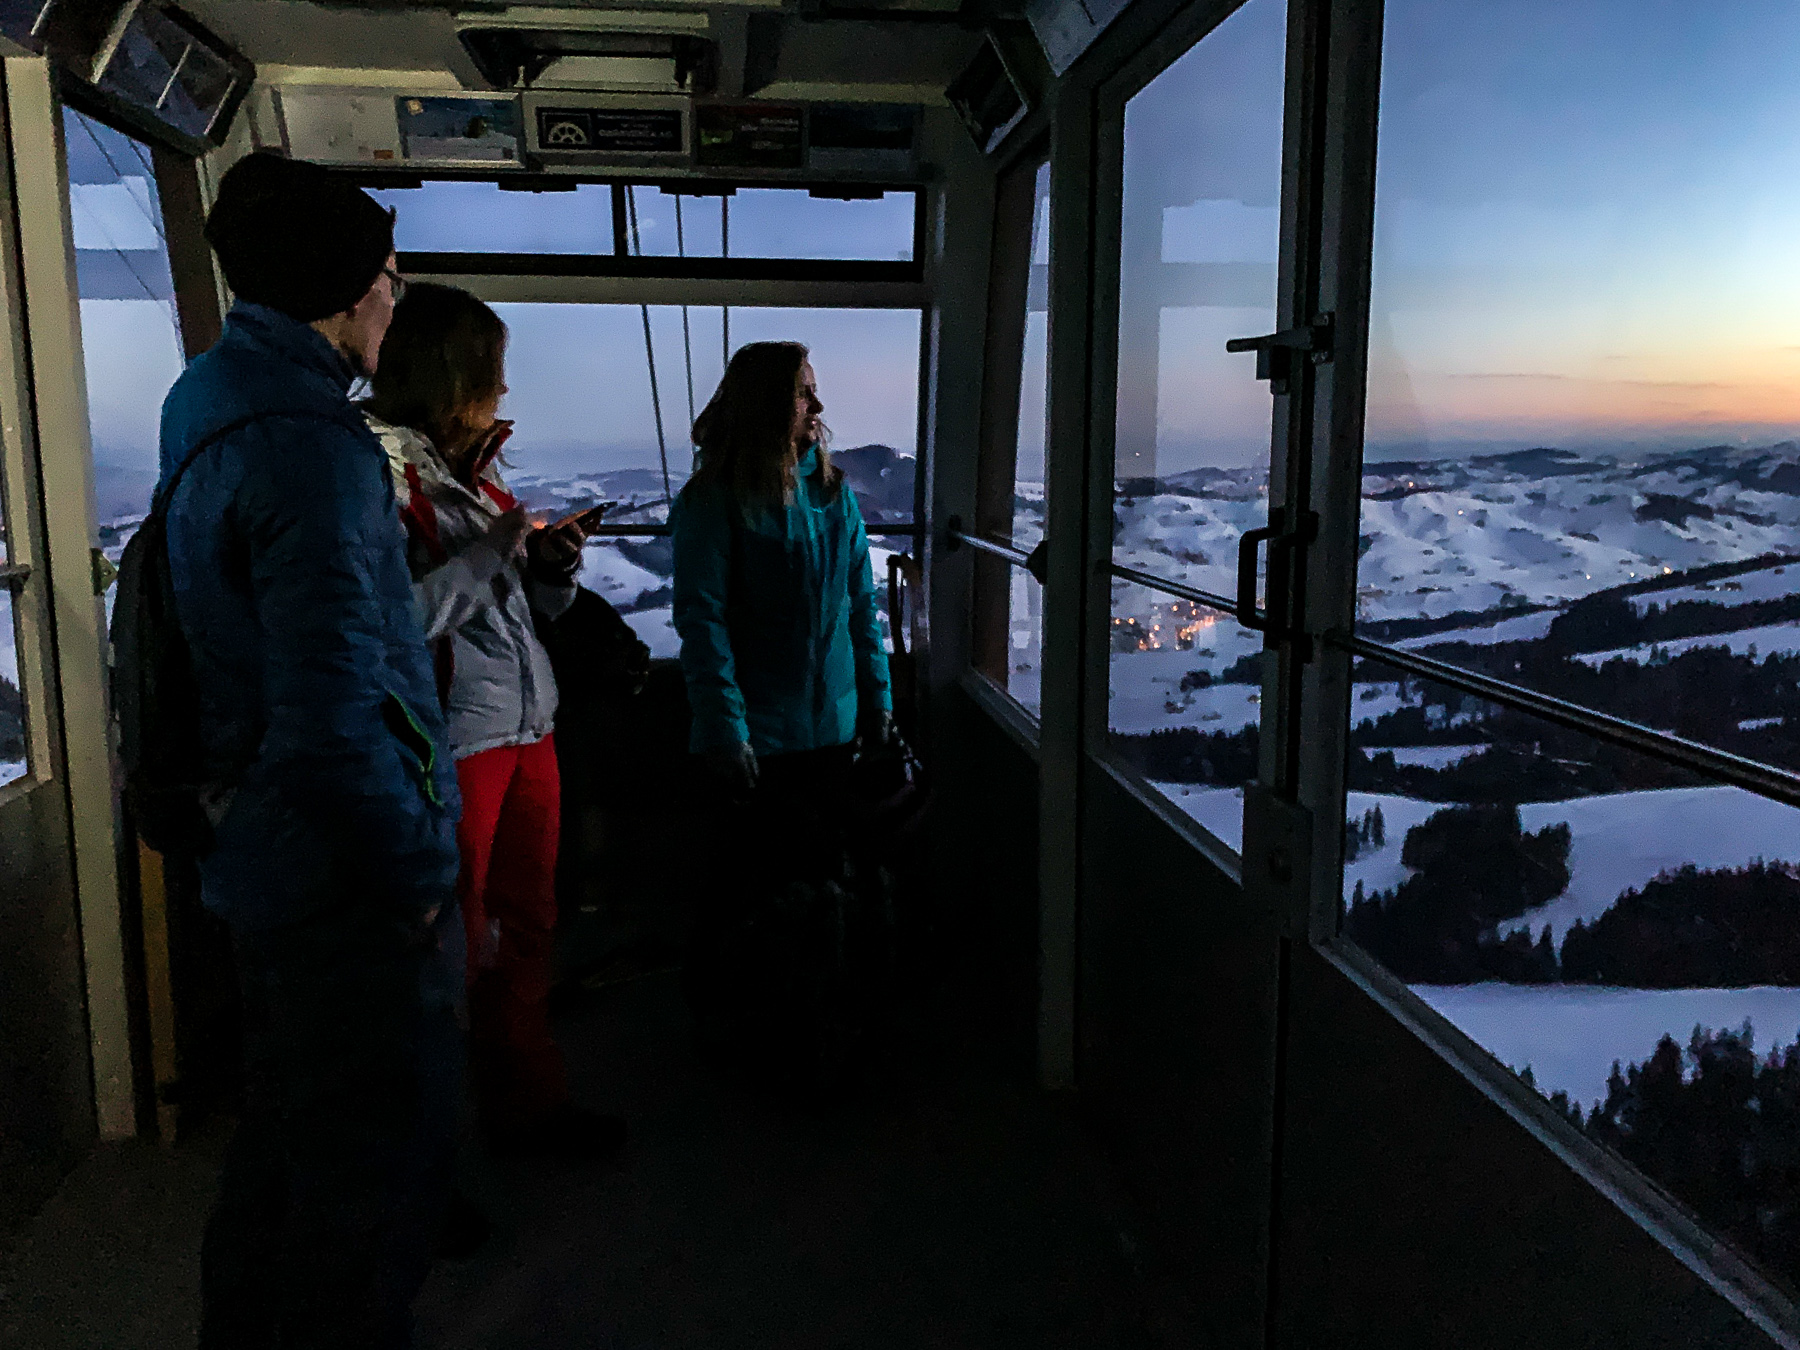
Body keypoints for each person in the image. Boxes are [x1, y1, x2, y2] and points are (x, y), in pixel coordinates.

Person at [161, 153, 462, 1348]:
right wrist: (417, 877)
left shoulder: (208, 397)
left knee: (284, 1149)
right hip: (337, 877)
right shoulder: (316, 450)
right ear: (344, 291)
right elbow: (339, 716)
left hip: (259, 856)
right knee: (371, 1181)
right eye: (390, 279)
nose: (396, 301)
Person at [362, 282, 626, 1158]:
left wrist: (549, 569)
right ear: (448, 375)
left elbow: (523, 613)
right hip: (454, 745)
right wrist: (490, 552)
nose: (503, 394)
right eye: (491, 374)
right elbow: (392, 626)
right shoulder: (375, 471)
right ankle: (431, 1151)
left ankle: (527, 1104)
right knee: (449, 947)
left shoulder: (469, 472)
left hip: (525, 731)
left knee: (528, 923)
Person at [671, 340, 893, 800]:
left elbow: (859, 608)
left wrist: (878, 703)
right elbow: (703, 620)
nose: (817, 405)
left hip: (837, 730)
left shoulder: (833, 493)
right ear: (767, 403)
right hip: (757, 737)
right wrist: (726, 729)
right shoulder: (714, 499)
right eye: (803, 392)